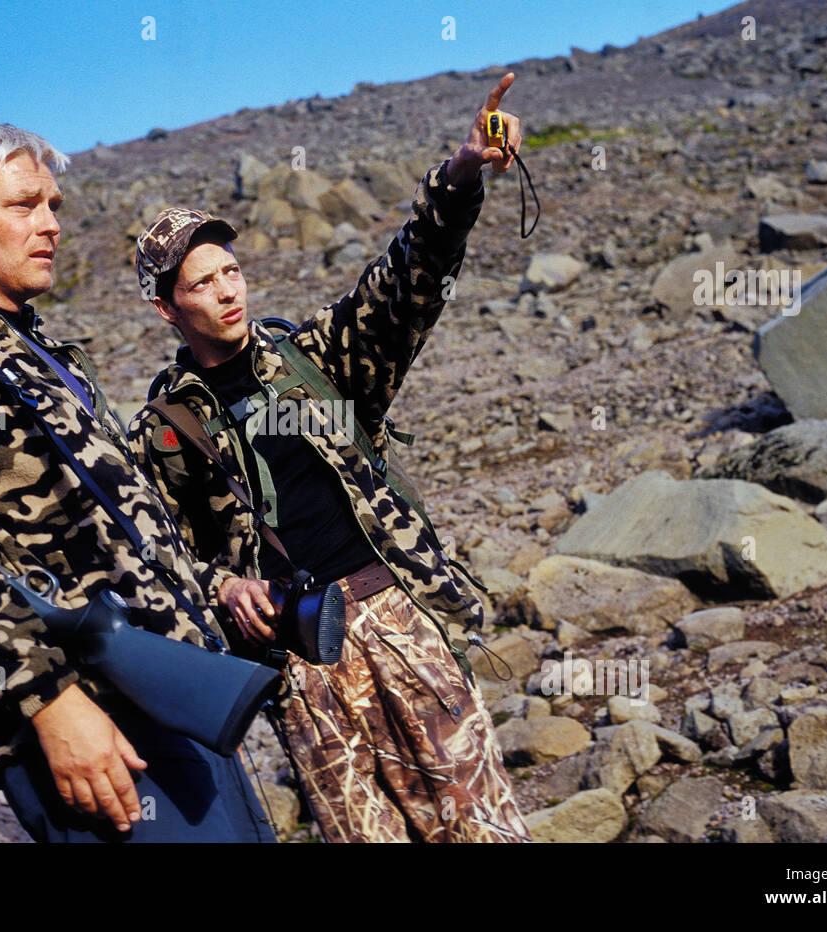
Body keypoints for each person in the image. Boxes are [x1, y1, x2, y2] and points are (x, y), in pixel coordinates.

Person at [0, 123, 274, 843]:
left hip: (173, 693)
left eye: (54, 205)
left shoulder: (41, 350)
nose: (51, 225)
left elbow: (128, 526)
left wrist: (215, 586)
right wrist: (50, 701)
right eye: (23, 205)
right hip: (90, 722)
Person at [129, 75, 533, 842]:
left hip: (395, 614)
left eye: (230, 272)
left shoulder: (318, 357)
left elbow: (406, 282)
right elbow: (157, 548)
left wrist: (461, 172)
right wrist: (223, 585)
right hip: (302, 658)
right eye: (201, 283)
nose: (226, 293)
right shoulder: (167, 424)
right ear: (166, 307)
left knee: (481, 827)